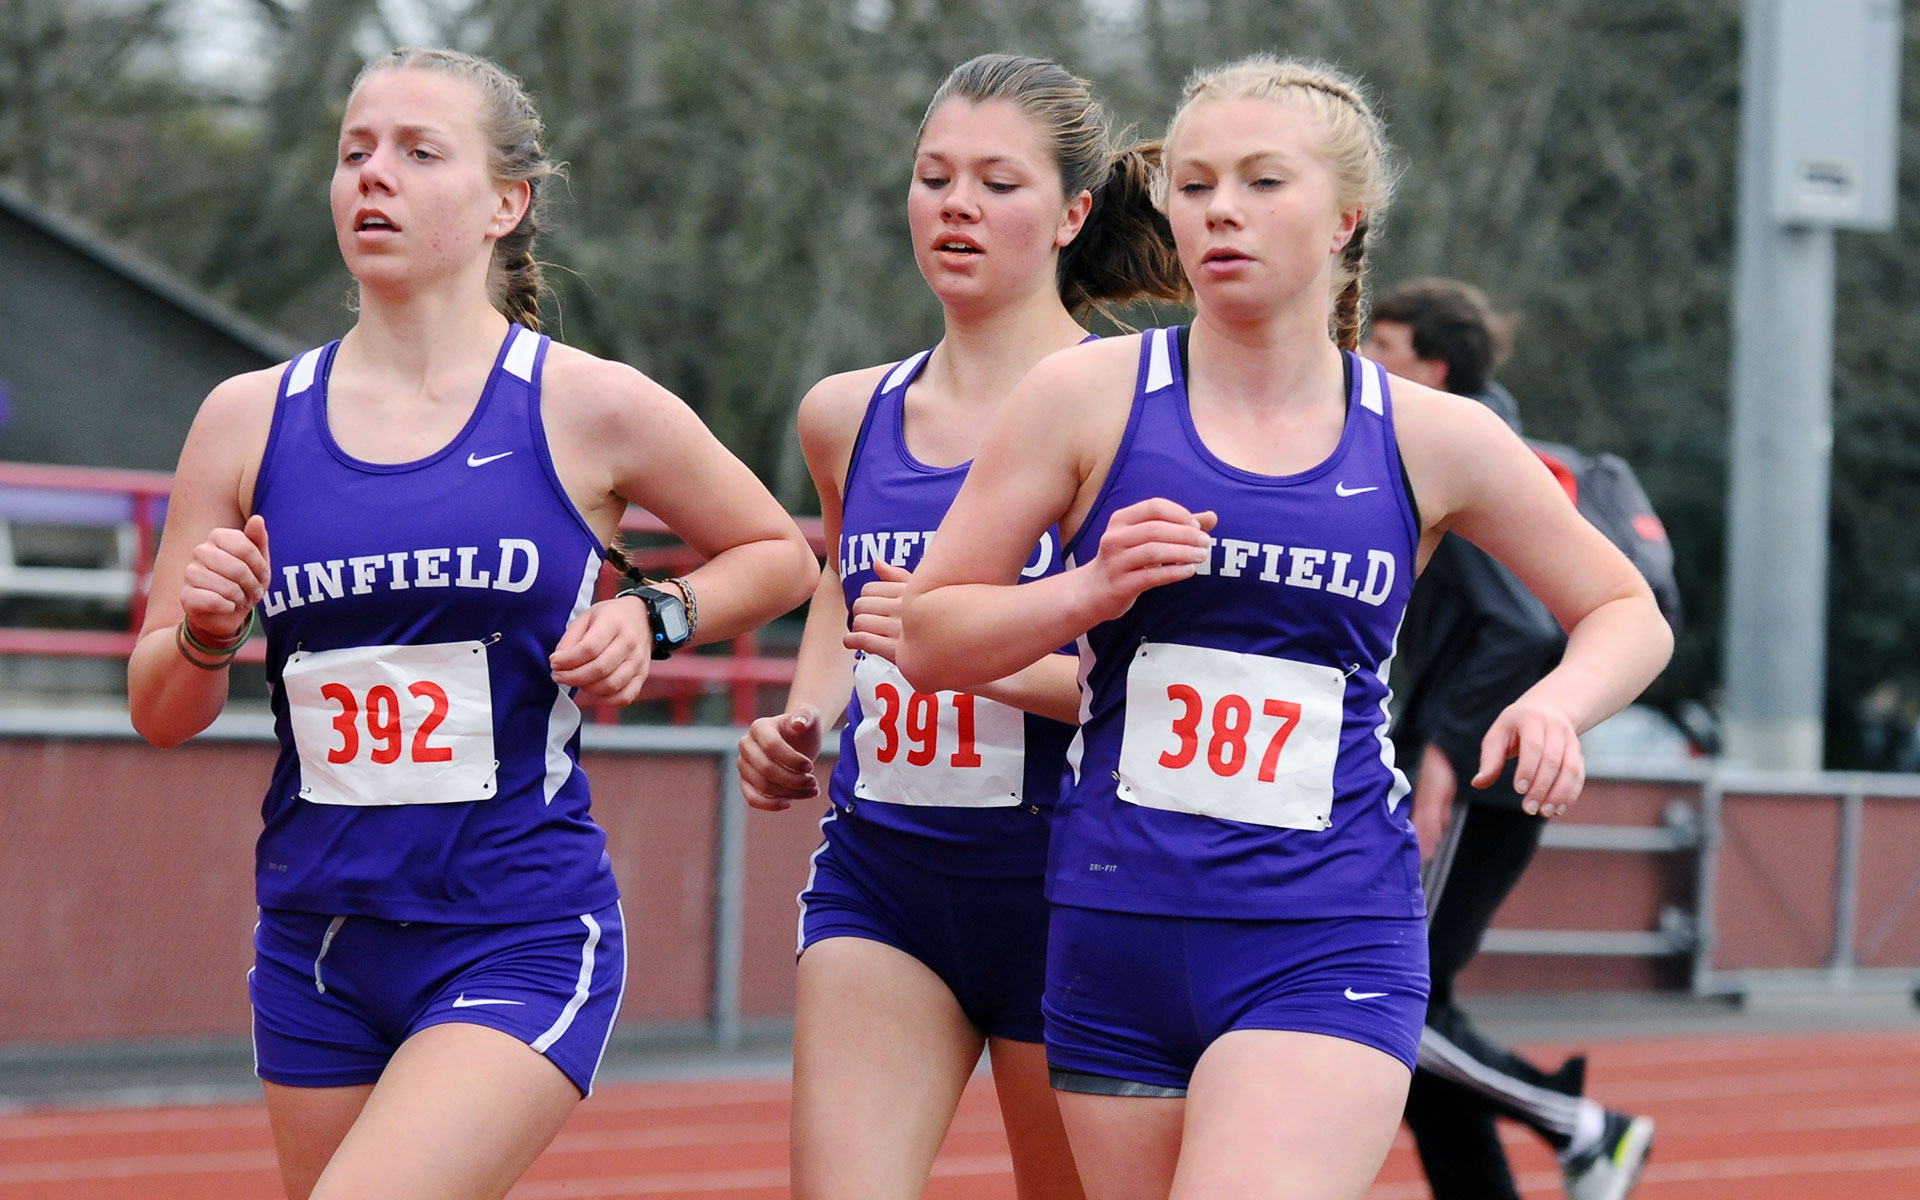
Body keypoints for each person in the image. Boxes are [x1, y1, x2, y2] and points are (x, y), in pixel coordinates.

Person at [895, 53, 1674, 1200]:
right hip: (1114, 926)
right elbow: (932, 636)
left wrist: (1557, 704)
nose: (1222, 211)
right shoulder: (1087, 398)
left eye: (1264, 183)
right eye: (1198, 183)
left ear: (1346, 216)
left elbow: (1625, 610)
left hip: (1325, 934)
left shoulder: (1427, 434)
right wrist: (1088, 590)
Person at [126, 48, 817, 1200]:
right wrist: (204, 632)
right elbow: (160, 709)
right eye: (354, 152)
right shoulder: (246, 420)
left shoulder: (587, 403)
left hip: (515, 929)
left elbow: (781, 554)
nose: (372, 178)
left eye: (416, 152)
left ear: (508, 202)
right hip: (316, 941)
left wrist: (657, 612)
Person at [733, 53, 1185, 1200]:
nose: (958, 207)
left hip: (1076, 887)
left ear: (1073, 213)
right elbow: (850, 587)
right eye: (935, 178)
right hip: (884, 878)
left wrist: (968, 654)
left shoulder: (1137, 411)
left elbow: (1159, 684)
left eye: (997, 182)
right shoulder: (848, 413)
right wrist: (805, 710)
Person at [1365, 277, 1657, 1200]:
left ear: (1434, 366)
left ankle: (1581, 1125)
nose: (1364, 359)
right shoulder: (1466, 445)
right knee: (1417, 1007)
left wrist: (1445, 753)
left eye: (1383, 345)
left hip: (1476, 774)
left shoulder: (1466, 458)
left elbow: (1526, 626)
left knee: (1393, 1001)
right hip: (1476, 766)